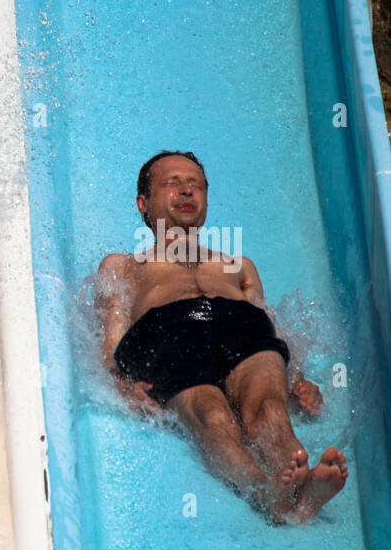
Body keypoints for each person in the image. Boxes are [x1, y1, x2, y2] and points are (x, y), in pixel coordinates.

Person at [96, 150, 346, 523]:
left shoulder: (239, 266)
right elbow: (112, 341)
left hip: (242, 327)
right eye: (172, 182)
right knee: (212, 415)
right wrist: (121, 383)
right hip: (171, 333)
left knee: (269, 408)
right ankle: (271, 495)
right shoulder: (123, 266)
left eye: (196, 184)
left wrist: (297, 379)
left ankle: (301, 482)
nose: (186, 190)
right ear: (143, 204)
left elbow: (270, 324)